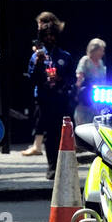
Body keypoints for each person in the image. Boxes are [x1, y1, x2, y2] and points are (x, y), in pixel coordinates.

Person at [26, 12, 75, 180]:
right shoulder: (36, 56)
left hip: (61, 99)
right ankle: (52, 166)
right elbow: (31, 79)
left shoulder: (65, 56)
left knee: (62, 133)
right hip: (44, 99)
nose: (49, 38)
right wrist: (37, 65)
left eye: (52, 35)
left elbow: (72, 78)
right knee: (49, 134)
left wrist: (62, 81)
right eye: (45, 35)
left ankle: (64, 166)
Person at [75, 38, 108, 125]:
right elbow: (80, 76)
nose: (102, 53)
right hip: (86, 98)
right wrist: (77, 91)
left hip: (99, 98)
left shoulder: (100, 62)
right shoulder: (85, 60)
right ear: (94, 50)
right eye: (100, 51)